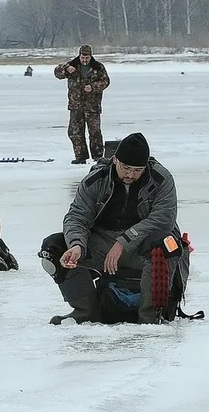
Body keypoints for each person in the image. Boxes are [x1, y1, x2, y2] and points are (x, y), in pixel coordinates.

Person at [38, 132, 190, 325]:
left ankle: (151, 317)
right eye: (126, 168)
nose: (130, 174)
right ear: (115, 160)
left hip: (142, 248)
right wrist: (77, 245)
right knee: (53, 248)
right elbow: (77, 216)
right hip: (103, 246)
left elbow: (163, 220)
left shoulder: (161, 179)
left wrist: (123, 242)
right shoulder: (96, 179)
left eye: (137, 170)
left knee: (167, 244)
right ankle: (86, 312)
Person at [54, 44, 111, 164]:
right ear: (79, 56)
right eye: (82, 58)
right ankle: (80, 157)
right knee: (75, 133)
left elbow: (106, 81)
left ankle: (98, 157)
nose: (84, 60)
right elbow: (57, 73)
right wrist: (65, 69)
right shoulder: (72, 65)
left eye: (87, 58)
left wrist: (93, 87)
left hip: (92, 106)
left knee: (95, 133)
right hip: (76, 106)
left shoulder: (98, 67)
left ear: (91, 56)